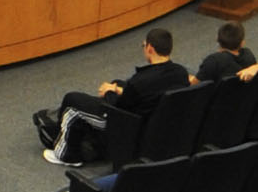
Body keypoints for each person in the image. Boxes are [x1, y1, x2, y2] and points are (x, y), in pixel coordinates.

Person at [45, 24, 193, 164]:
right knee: (118, 82)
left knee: (72, 101)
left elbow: (118, 107)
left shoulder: (140, 81)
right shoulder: (180, 72)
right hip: (154, 121)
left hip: (127, 123)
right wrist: (118, 89)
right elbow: (151, 92)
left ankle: (66, 155)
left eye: (144, 46)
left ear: (150, 48)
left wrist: (109, 91)